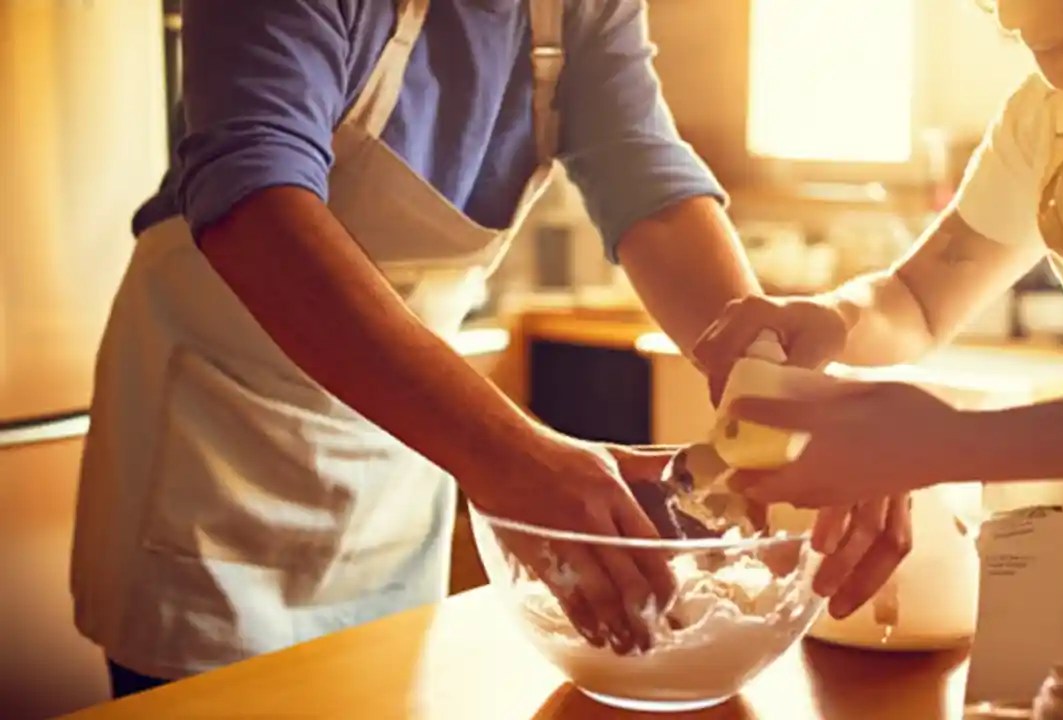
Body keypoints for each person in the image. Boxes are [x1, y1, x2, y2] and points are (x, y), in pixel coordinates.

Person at [71, 0, 770, 698]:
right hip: (210, 461)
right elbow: (257, 211)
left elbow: (644, 178)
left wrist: (774, 391)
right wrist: (511, 455)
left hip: (402, 453)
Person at [694, 0, 1063, 680]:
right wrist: (833, 317)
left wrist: (944, 443)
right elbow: (915, 299)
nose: (1005, 13)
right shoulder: (1048, 118)